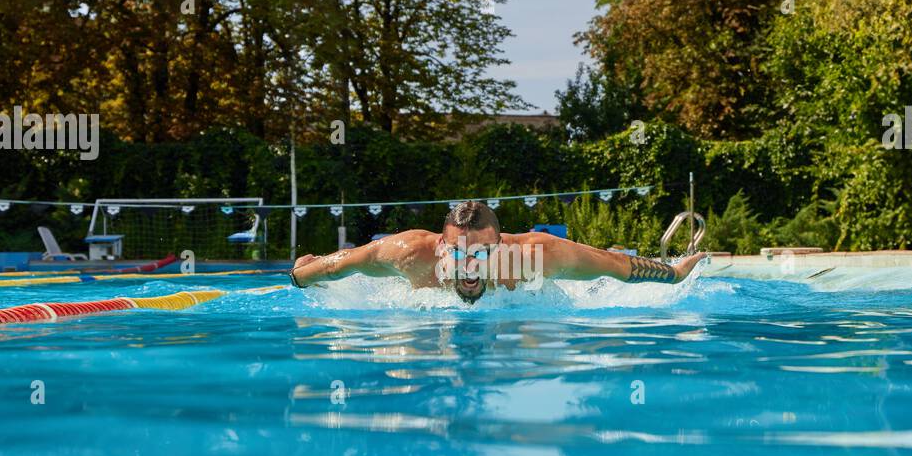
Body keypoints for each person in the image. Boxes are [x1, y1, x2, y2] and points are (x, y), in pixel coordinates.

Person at [288, 200, 706, 304]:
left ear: (501, 244)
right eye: (458, 253)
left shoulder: (534, 256)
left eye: (483, 253)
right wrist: (300, 275)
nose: (469, 266)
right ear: (441, 244)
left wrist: (673, 273)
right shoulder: (409, 254)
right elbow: (336, 266)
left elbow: (615, 265)